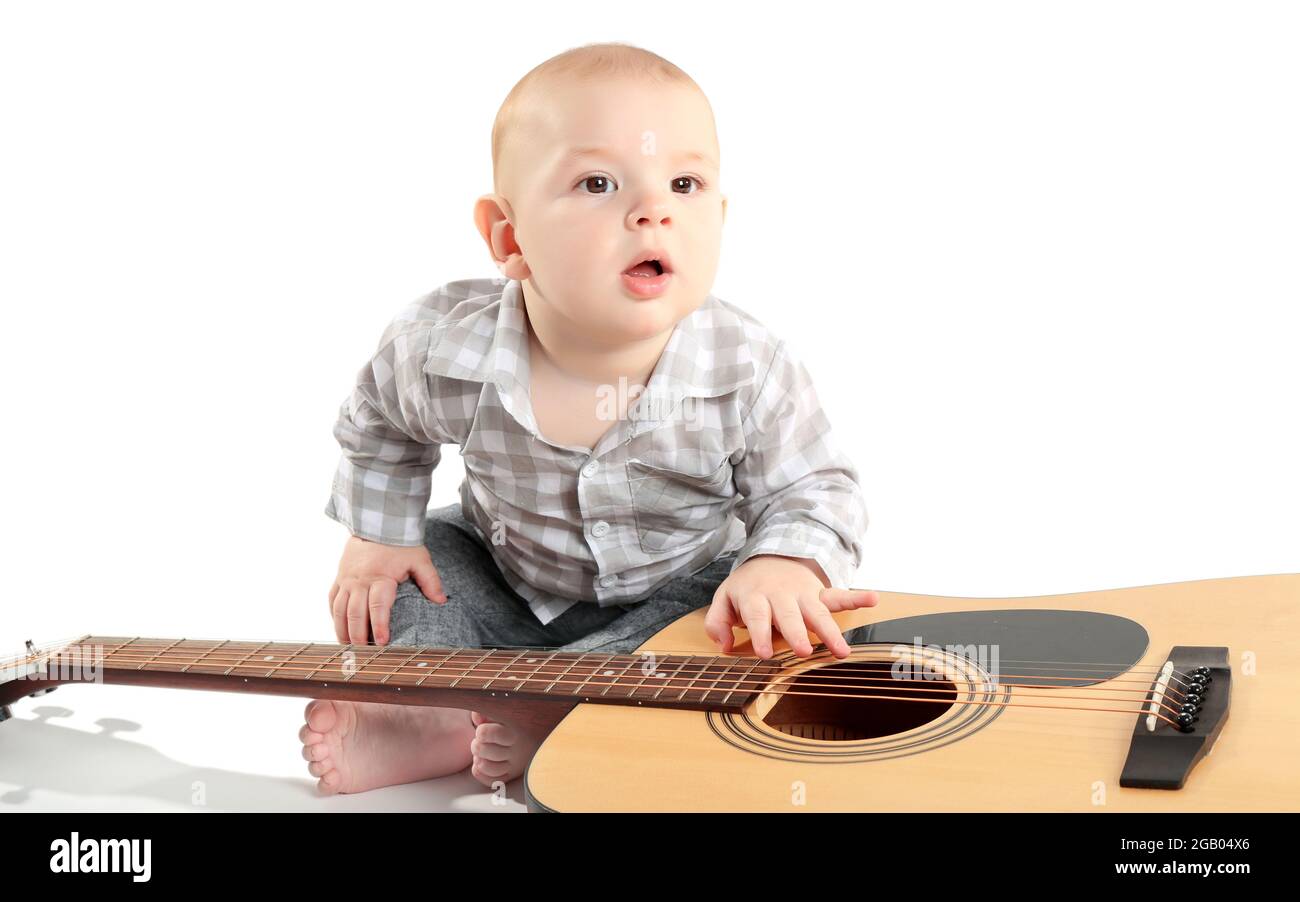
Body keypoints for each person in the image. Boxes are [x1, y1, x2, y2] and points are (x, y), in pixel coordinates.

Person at [299, 41, 875, 795]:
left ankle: (559, 711)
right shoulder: (446, 350)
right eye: (598, 182)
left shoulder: (745, 367)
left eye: (685, 183)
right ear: (509, 238)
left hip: (672, 596)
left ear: (720, 219)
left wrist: (783, 563)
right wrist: (379, 536)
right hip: (509, 579)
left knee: (733, 618)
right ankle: (429, 704)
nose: (653, 210)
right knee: (428, 555)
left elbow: (817, 487)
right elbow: (383, 423)